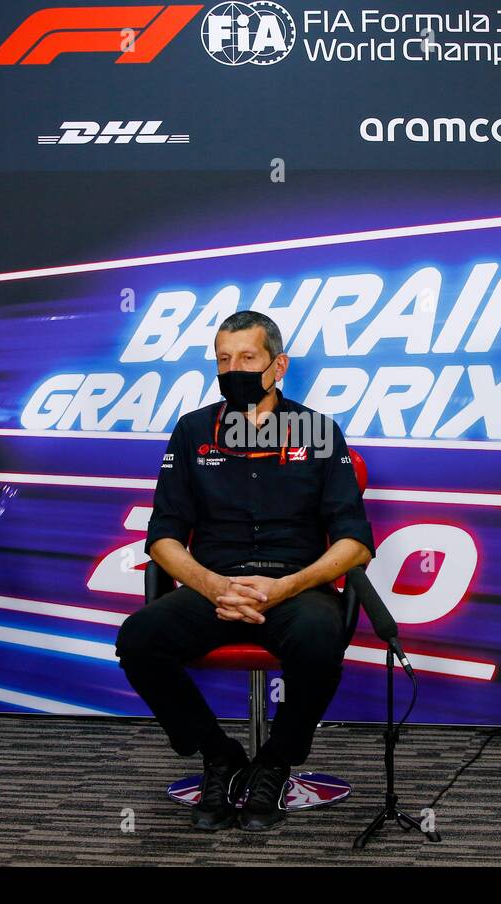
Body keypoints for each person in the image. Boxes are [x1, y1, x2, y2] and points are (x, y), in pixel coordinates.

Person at [116, 310, 375, 831]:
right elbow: (162, 538)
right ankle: (220, 755)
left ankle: (276, 762)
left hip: (294, 588)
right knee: (139, 640)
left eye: (247, 358)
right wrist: (214, 586)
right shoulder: (192, 432)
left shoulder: (319, 432)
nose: (234, 368)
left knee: (320, 636)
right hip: (214, 586)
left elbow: (355, 543)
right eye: (223, 359)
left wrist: (287, 586)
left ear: (277, 366)